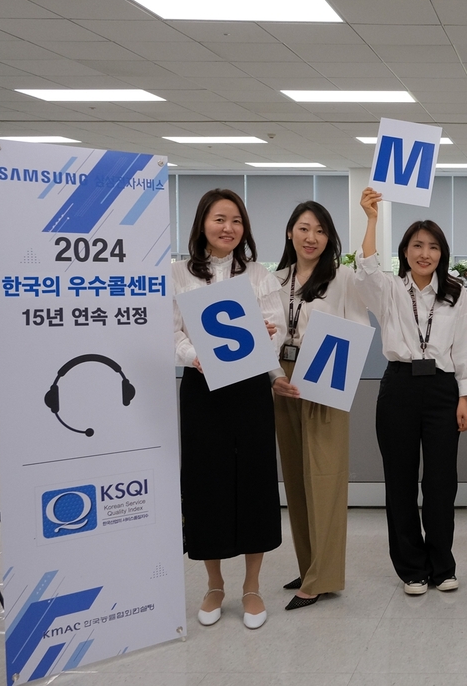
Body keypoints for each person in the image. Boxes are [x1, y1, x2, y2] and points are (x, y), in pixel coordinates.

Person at [354, 187, 467, 596]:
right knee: (400, 480)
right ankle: (411, 568)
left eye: (433, 247)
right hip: (399, 386)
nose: (425, 254)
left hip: (442, 390)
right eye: (417, 246)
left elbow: (465, 348)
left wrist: (464, 397)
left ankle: (442, 566)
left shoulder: (456, 293)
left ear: (442, 253)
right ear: (405, 251)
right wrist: (372, 219)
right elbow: (366, 269)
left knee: (441, 482)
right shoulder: (389, 289)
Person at [173, 188, 285, 630]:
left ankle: (252, 585)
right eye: (220, 219)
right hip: (202, 388)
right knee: (207, 483)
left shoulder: (259, 276)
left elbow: (275, 331)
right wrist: (192, 354)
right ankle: (214, 583)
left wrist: (266, 335)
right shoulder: (178, 273)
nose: (228, 228)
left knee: (254, 480)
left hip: (250, 388)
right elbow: (169, 331)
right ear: (202, 223)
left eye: (236, 220)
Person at [270, 201, 369, 611]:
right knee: (296, 476)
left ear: (329, 238)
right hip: (281, 376)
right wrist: (273, 374)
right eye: (304, 228)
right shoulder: (275, 280)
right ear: (290, 232)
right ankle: (309, 565)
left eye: (320, 230)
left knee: (325, 475)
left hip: (325, 376)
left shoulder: (342, 278)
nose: (311, 238)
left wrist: (325, 375)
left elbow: (359, 328)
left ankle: (323, 576)